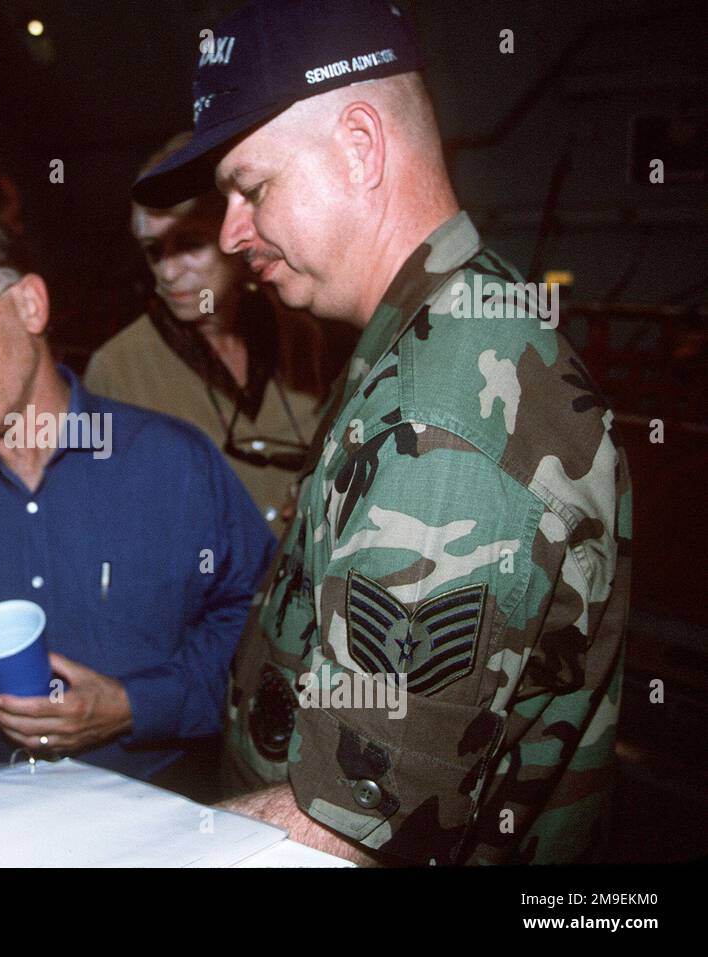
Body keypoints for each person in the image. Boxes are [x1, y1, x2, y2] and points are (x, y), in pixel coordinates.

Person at [133, 0, 631, 864]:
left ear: (361, 146)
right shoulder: (435, 329)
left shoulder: (443, 417)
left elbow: (348, 830)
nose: (229, 233)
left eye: (252, 189)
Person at [0, 210, 275, 796]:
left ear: (29, 305)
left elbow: (256, 626)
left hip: (165, 815)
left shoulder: (171, 464)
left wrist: (136, 705)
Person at [85, 132, 325, 535]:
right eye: (153, 250)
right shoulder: (116, 370)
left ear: (234, 232)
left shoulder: (301, 333)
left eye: (190, 244)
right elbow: (109, 524)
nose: (167, 271)